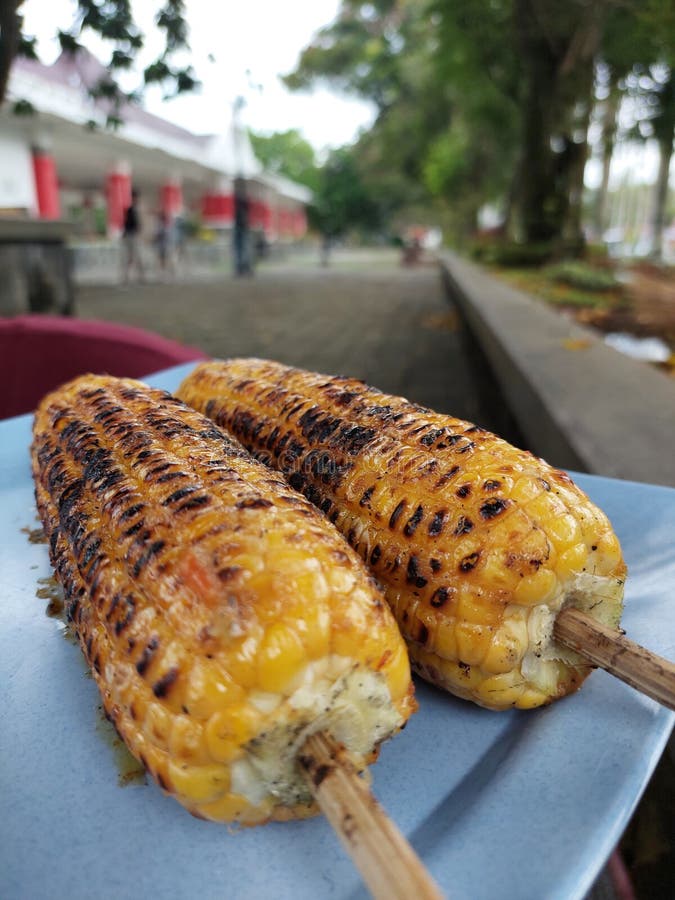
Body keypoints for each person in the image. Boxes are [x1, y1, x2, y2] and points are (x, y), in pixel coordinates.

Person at [121, 189, 145, 283]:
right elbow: (130, 224)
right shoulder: (131, 210)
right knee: (134, 256)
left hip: (131, 235)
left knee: (132, 256)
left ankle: (128, 276)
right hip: (131, 235)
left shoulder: (132, 209)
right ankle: (132, 276)